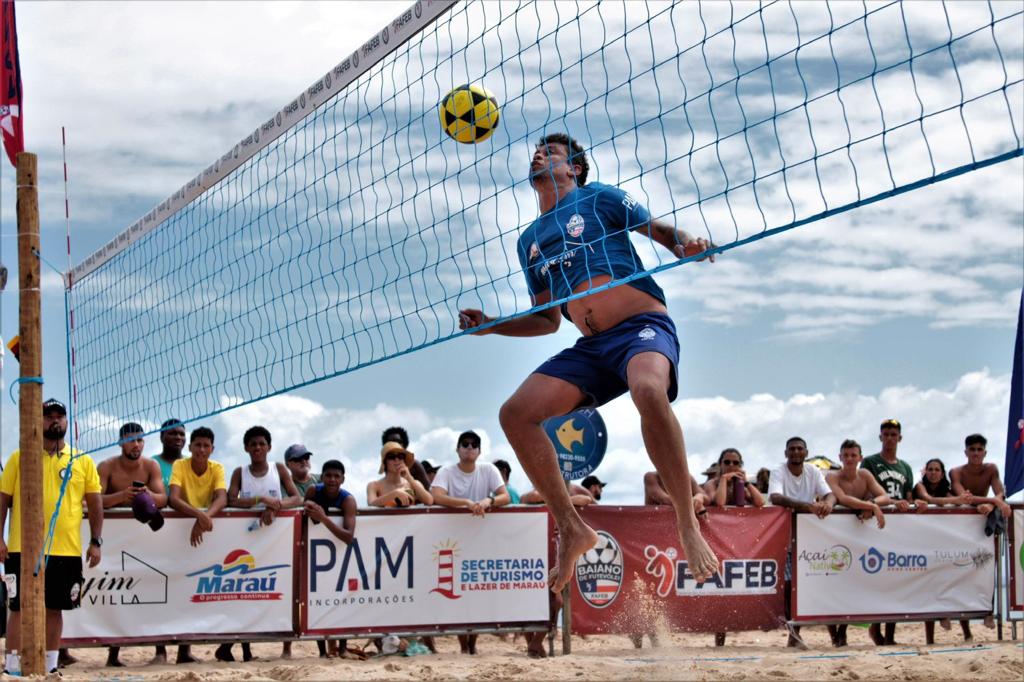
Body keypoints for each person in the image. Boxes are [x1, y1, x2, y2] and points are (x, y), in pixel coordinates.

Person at [457, 133, 719, 593]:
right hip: (593, 347)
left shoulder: (599, 197)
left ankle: (686, 522)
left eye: (550, 152)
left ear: (574, 168)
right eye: (536, 152)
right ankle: (572, 527)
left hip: (641, 326)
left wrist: (687, 246)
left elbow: (661, 232)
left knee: (648, 390)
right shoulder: (530, 241)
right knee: (515, 414)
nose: (538, 155)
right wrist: (492, 326)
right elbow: (546, 320)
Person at [0, 399, 103, 675]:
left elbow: (95, 504)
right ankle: (12, 667)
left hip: (65, 549)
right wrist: (0, 539)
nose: (55, 420)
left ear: (66, 421)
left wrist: (96, 541)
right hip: (23, 547)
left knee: (54, 610)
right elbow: (3, 500)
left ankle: (49, 666)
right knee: (18, 608)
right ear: (38, 420)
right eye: (48, 416)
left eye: (60, 416)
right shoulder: (20, 456)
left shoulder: (81, 460)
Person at [223, 426, 302, 663]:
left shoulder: (279, 469)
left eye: (262, 444)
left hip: (276, 539)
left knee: (282, 591)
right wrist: (260, 500)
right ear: (246, 448)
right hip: (247, 540)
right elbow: (231, 500)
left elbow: (296, 497)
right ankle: (245, 651)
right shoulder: (240, 472)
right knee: (244, 594)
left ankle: (286, 648)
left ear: (269, 447)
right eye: (253, 444)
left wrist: (274, 506)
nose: (257, 448)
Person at [431, 430, 510, 654]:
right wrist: (465, 502)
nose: (469, 448)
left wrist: (488, 501)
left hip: (481, 540)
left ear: (479, 450)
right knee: (457, 593)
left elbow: (505, 496)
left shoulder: (489, 469)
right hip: (451, 541)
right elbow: (436, 495)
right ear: (457, 449)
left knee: (476, 593)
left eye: (474, 445)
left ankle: (472, 644)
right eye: (464, 444)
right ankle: (463, 645)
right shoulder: (447, 471)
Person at [98, 422, 168, 668]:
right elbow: (93, 500)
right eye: (130, 440)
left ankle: (160, 650)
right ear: (121, 443)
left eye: (140, 440)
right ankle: (113, 655)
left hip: (145, 537)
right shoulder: (107, 466)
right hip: (115, 540)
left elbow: (163, 498)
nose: (136, 444)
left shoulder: (151, 466)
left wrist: (146, 494)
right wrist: (122, 496)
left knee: (154, 591)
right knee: (117, 596)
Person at [859, 419, 926, 646]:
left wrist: (914, 503)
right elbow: (865, 491)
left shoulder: (905, 467)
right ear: (880, 437)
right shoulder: (870, 462)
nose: (889, 438)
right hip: (877, 522)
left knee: (896, 579)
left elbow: (908, 497)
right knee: (876, 577)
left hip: (898, 527)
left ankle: (890, 634)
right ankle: (874, 626)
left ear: (900, 438)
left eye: (893, 434)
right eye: (886, 434)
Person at [767, 436, 836, 648]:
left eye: (799, 449)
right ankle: (794, 634)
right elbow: (775, 497)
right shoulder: (778, 471)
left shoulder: (813, 471)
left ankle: (834, 636)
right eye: (792, 449)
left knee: (820, 584)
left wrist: (828, 504)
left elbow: (830, 495)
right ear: (786, 453)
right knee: (789, 588)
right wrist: (808, 506)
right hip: (785, 539)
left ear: (806, 452)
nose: (796, 452)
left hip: (809, 541)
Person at [148, 418, 198, 664]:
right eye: (172, 434)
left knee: (186, 592)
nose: (178, 438)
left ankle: (184, 651)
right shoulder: (152, 464)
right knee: (160, 592)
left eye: (181, 434)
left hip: (185, 534)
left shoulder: (191, 464)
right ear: (161, 437)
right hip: (158, 535)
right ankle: (160, 651)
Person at [304, 459, 357, 658]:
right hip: (315, 555)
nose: (332, 480)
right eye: (328, 475)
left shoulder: (348, 500)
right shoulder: (313, 491)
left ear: (343, 479)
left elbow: (349, 537)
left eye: (336, 476)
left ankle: (342, 648)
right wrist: (309, 507)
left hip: (340, 556)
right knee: (316, 601)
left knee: (341, 601)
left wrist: (323, 518)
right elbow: (303, 517)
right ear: (322, 477)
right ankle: (322, 652)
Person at [168, 427, 227, 548]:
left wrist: (203, 518)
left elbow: (222, 499)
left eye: (206, 446)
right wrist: (201, 516)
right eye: (198, 445)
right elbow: (173, 499)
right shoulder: (179, 464)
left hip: (205, 524)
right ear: (190, 447)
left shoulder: (217, 468)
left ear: (212, 449)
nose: (202, 449)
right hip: (180, 524)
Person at [950, 434, 1012, 520]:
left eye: (979, 449)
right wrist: (994, 501)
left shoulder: (991, 469)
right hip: (958, 516)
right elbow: (964, 498)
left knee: (1001, 508)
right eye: (972, 449)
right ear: (966, 453)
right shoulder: (956, 472)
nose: (976, 453)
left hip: (983, 512)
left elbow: (1000, 493)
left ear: (985, 453)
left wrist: (991, 505)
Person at [367, 442, 433, 507]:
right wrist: (395, 493)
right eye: (391, 456)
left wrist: (410, 479)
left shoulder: (413, 484)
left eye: (400, 456)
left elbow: (429, 501)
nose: (397, 459)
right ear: (385, 462)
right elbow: (371, 504)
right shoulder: (374, 486)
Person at [381, 426, 433, 490]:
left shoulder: (414, 465)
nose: (394, 445)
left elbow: (428, 490)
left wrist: (410, 480)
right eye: (391, 442)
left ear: (404, 445)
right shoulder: (387, 465)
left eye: (398, 441)